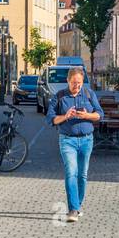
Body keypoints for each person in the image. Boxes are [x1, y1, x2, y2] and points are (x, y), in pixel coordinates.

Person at [47, 67, 103, 222]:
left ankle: (77, 206)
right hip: (67, 140)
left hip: (86, 140)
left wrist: (87, 115)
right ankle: (73, 209)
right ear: (67, 80)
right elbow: (50, 119)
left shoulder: (88, 94)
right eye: (74, 83)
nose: (77, 86)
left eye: (79, 83)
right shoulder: (59, 96)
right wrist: (65, 116)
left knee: (82, 175)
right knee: (71, 172)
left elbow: (100, 114)